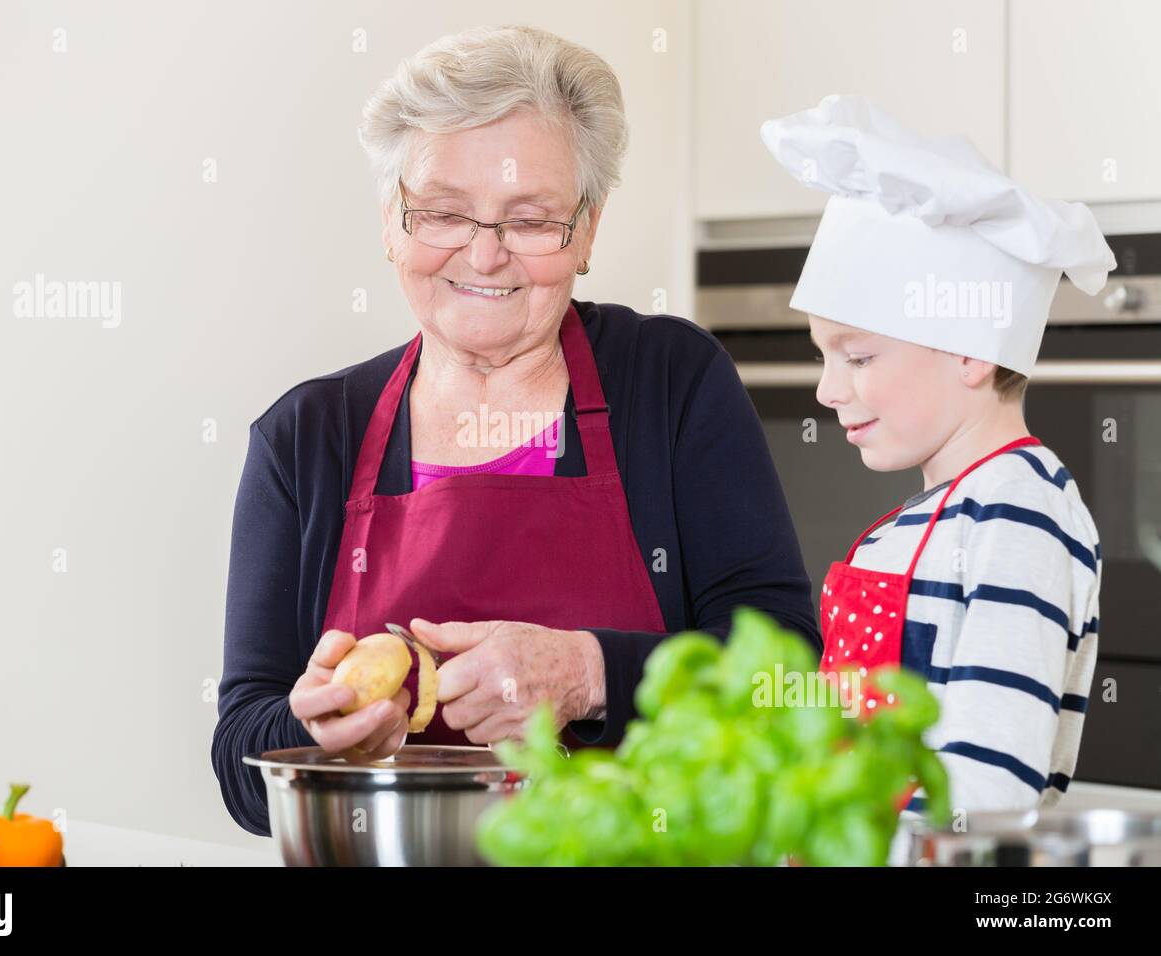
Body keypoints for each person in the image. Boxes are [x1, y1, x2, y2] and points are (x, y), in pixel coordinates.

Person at [211, 25, 818, 836]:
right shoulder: (305, 440)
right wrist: (317, 735)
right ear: (392, 223)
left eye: (529, 220)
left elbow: (786, 670)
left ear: (588, 231)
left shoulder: (670, 382)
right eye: (443, 213)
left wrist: (590, 674)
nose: (484, 256)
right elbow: (240, 767)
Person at [762, 94, 1113, 812]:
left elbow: (988, 784)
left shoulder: (1017, 514)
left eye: (857, 357)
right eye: (823, 358)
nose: (828, 391)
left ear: (968, 351)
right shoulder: (936, 517)